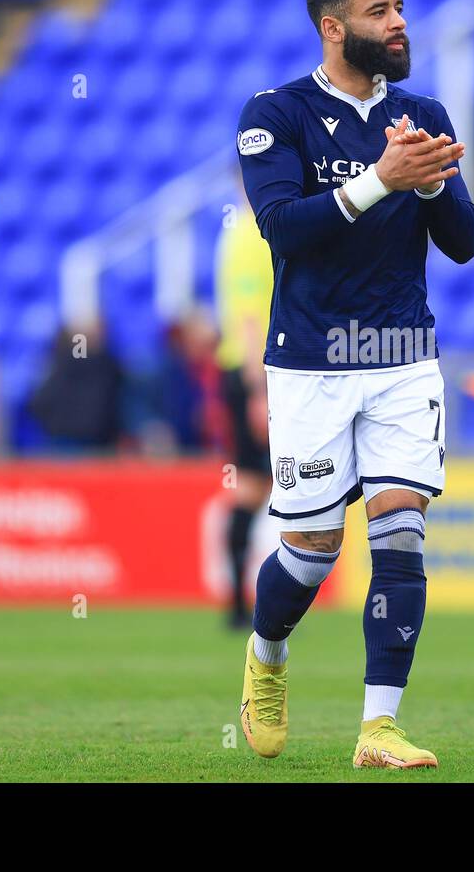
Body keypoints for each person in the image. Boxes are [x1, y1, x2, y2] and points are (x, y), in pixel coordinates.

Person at [235, 0, 474, 769]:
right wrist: (382, 180)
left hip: (403, 356)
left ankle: (379, 727)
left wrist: (426, 181)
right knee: (311, 550)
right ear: (334, 28)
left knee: (401, 534)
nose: (400, 22)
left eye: (403, 7)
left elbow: (465, 240)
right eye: (381, 11)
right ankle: (267, 656)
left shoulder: (420, 114)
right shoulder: (277, 113)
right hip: (311, 361)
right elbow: (283, 227)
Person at [214, 193, 275, 629]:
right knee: (254, 487)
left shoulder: (237, 234)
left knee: (259, 486)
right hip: (256, 373)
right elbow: (250, 319)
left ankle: (243, 601)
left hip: (253, 372)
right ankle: (239, 603)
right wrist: (259, 390)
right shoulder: (252, 235)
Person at [28, 318, 124, 452]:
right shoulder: (68, 364)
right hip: (65, 440)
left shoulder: (106, 365)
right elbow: (42, 401)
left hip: (97, 441)